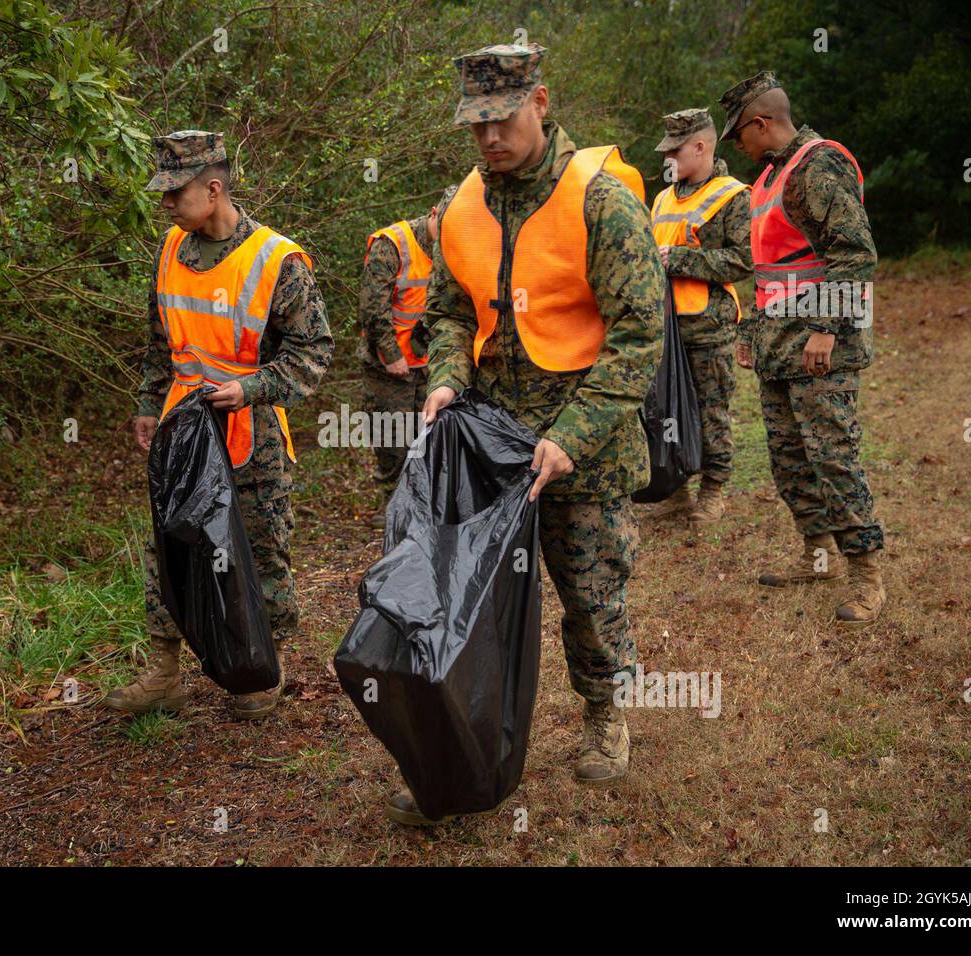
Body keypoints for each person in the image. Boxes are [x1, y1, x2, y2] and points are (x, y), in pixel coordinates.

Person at [385, 43, 665, 826]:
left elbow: (641, 334)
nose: (487, 141)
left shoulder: (601, 201)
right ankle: (467, 747)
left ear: (540, 103)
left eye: (501, 122)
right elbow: (445, 308)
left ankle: (607, 713)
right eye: (474, 127)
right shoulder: (463, 203)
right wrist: (444, 374)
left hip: (584, 448)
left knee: (589, 591)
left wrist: (573, 433)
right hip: (488, 446)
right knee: (466, 602)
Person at [105, 130, 333, 719]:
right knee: (172, 547)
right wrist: (147, 406)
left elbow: (313, 353)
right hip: (182, 432)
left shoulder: (276, 259)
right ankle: (163, 673)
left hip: (249, 435)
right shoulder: (169, 252)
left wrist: (252, 387)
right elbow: (159, 345)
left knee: (258, 548)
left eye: (174, 192)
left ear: (213, 188)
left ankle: (263, 666)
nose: (166, 204)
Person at [720, 71, 885, 626]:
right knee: (789, 460)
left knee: (833, 456)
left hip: (820, 345)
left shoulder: (819, 164)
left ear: (761, 123)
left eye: (738, 134)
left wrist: (826, 328)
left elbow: (855, 252)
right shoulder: (770, 178)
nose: (737, 146)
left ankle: (866, 576)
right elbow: (768, 269)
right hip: (777, 343)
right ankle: (819, 558)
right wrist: (750, 334)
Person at [648, 107, 752, 522]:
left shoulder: (733, 195)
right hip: (664, 328)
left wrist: (681, 260)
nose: (667, 159)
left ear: (700, 147)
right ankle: (677, 490)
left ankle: (713, 490)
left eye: (674, 151)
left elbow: (745, 260)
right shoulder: (661, 198)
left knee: (711, 410)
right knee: (667, 410)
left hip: (708, 328)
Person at [358, 189, 454, 526]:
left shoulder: (453, 246)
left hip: (431, 362)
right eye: (445, 226)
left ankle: (424, 503)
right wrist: (391, 354)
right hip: (390, 365)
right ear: (432, 214)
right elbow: (373, 307)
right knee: (392, 434)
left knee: (430, 435)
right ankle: (392, 506)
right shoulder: (392, 243)